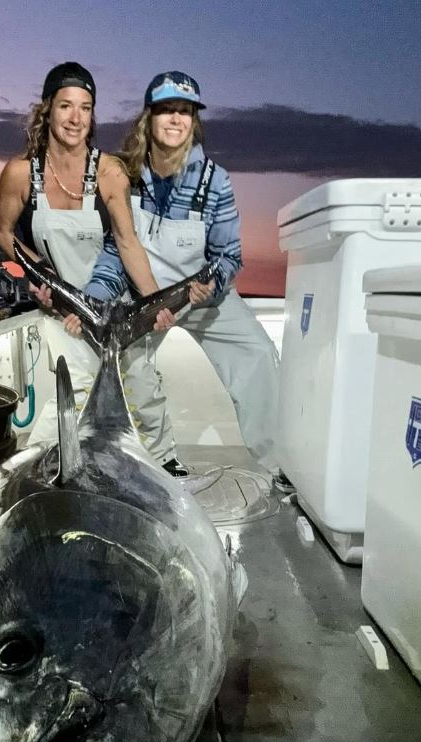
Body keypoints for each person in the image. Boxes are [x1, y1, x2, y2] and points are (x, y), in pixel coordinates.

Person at [83, 70, 280, 478]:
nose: (176, 119)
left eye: (185, 111)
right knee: (127, 360)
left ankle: (278, 464)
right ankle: (160, 459)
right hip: (144, 295)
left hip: (203, 297)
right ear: (148, 119)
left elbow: (229, 256)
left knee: (258, 354)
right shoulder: (126, 176)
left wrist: (209, 286)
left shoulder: (215, 181)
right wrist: (96, 295)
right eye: (167, 110)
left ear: (194, 121)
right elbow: (115, 248)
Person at [0, 62, 175, 447]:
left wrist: (154, 301)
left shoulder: (109, 172)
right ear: (47, 109)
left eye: (86, 108)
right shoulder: (21, 173)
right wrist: (38, 272)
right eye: (66, 106)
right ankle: (36, 469)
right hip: (63, 307)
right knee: (74, 385)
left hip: (113, 302)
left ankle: (165, 465)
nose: (76, 118)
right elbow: (3, 232)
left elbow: (127, 243)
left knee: (141, 385)